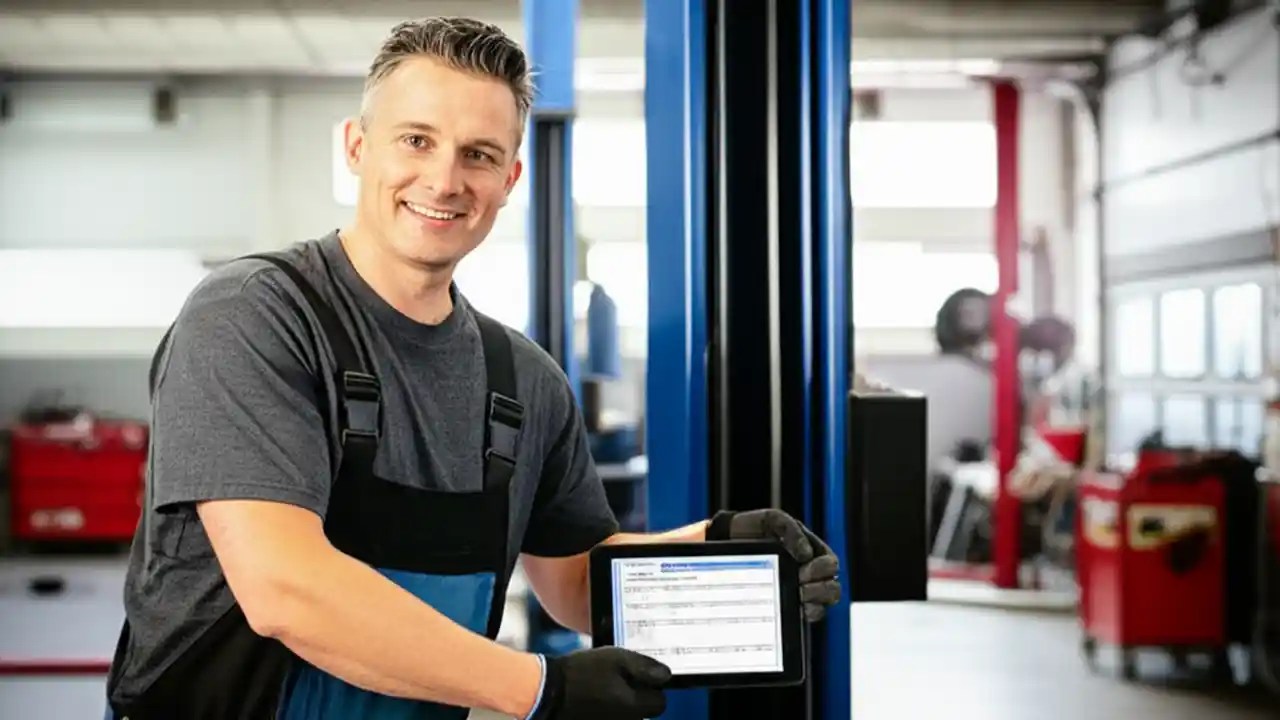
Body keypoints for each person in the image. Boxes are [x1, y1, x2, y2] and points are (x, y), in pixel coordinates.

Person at [103, 16, 842, 720]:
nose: (445, 179)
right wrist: (539, 690)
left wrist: (720, 551)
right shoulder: (254, 316)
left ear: (511, 176)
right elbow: (284, 588)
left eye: (478, 154)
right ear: (358, 147)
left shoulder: (523, 380)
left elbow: (578, 582)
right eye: (416, 141)